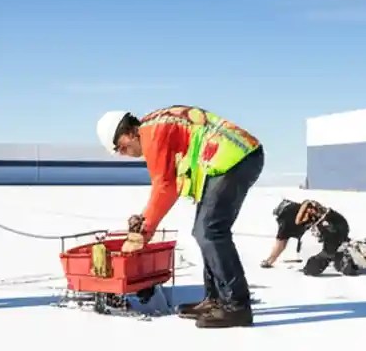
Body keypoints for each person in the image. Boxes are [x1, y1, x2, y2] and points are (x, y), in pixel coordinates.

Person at [96, 105, 263, 328]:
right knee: (204, 231)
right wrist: (145, 221)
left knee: (210, 231)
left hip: (234, 159)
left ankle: (237, 306)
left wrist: (143, 232)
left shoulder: (152, 134)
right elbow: (170, 183)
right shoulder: (154, 127)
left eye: (121, 148)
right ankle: (216, 300)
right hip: (232, 157)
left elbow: (165, 187)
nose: (124, 154)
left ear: (127, 133)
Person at [262, 198, 360, 276]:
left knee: (311, 269)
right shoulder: (298, 208)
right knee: (337, 245)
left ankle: (343, 258)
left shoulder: (286, 221)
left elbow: (280, 244)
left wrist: (269, 261)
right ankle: (345, 252)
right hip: (340, 222)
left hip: (331, 231)